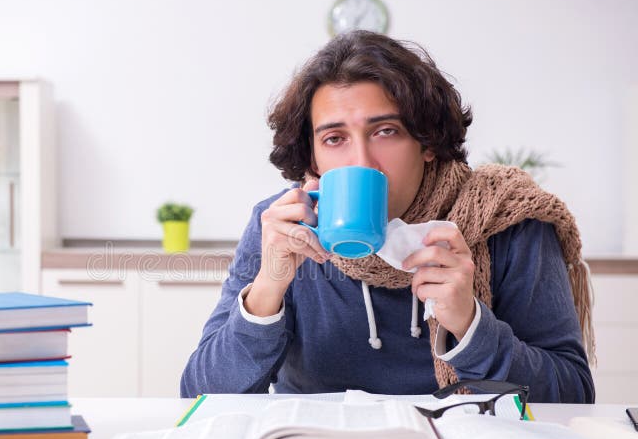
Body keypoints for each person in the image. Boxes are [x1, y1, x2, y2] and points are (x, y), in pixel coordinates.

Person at [180, 31, 595, 403]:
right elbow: (198, 396)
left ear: (427, 142)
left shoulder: (508, 221)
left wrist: (471, 325)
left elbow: (572, 395)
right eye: (334, 139)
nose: (363, 162)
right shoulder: (281, 227)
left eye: (385, 131)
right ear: (314, 158)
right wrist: (267, 290)